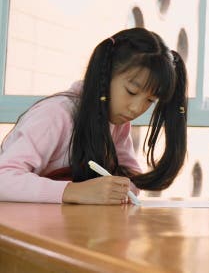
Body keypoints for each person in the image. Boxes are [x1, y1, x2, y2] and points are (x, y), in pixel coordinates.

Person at [0, 27, 188, 204]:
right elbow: (3, 178)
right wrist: (74, 191)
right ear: (103, 77)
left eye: (150, 101)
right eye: (131, 92)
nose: (136, 109)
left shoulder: (118, 122)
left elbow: (129, 178)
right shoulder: (55, 115)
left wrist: (116, 189)